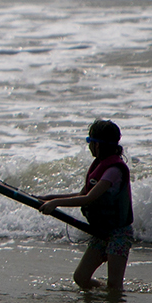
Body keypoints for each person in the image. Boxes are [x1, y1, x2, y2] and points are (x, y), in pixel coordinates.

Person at [38, 119, 135, 292]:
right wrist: (49, 198)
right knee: (81, 277)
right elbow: (80, 195)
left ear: (98, 145)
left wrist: (56, 203)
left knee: (115, 285)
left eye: (89, 141)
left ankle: (115, 302)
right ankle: (103, 295)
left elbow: (89, 198)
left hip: (119, 234)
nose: (89, 146)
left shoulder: (113, 170)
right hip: (101, 231)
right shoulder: (99, 166)